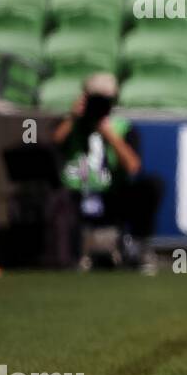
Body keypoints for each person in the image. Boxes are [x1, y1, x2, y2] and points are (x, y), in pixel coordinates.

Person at [52, 72, 164, 272]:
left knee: (152, 185)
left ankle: (140, 248)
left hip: (111, 195)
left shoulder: (123, 127)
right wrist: (72, 117)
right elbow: (52, 144)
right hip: (74, 195)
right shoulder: (68, 124)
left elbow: (133, 166)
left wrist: (109, 133)